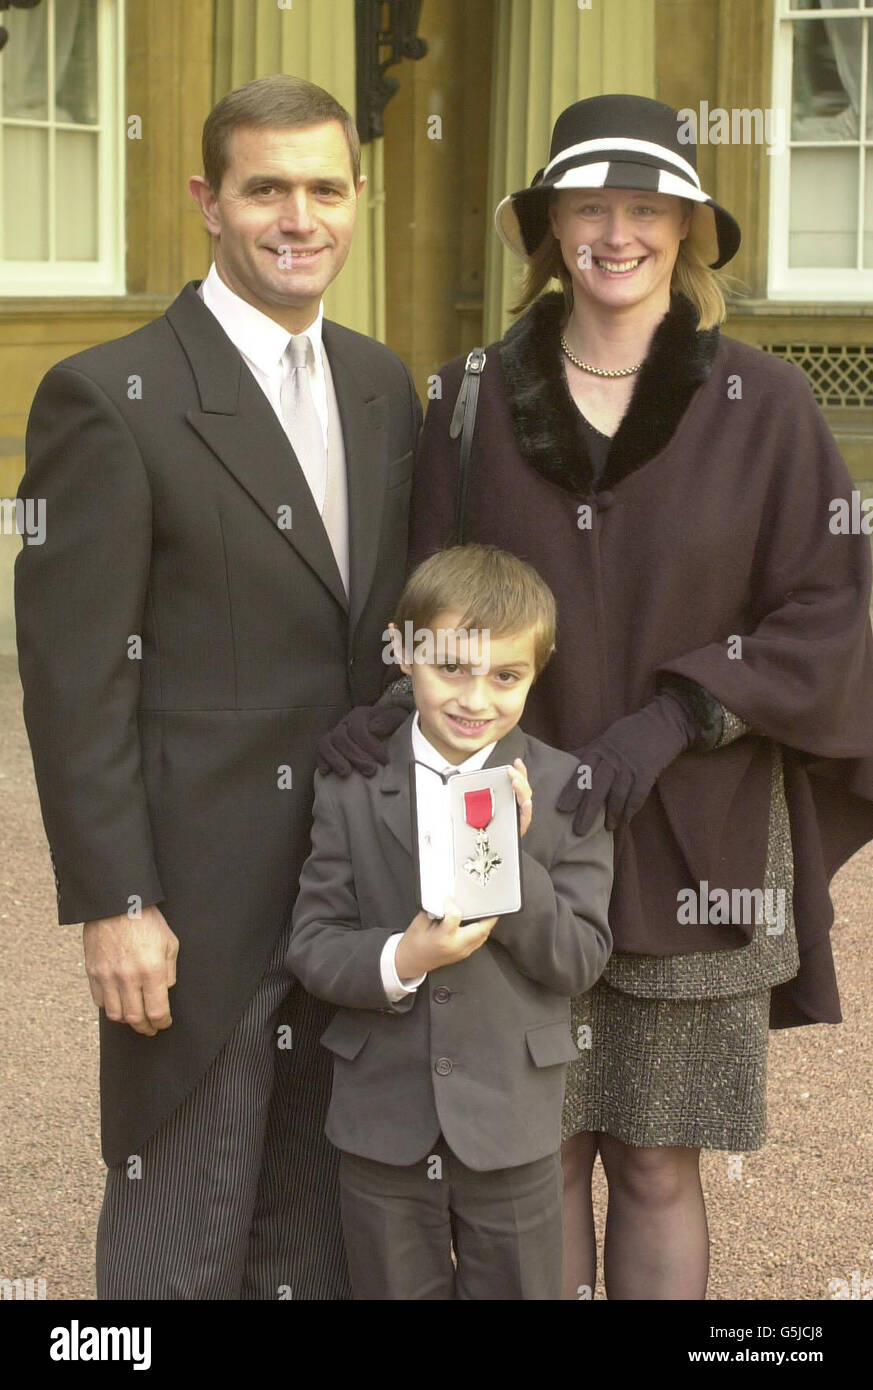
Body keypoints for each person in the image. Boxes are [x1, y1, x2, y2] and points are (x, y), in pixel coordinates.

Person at [318, 94, 873, 1300]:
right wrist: (389, 705)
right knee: (537, 1148)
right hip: (511, 827)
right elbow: (432, 594)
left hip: (703, 834)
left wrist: (679, 714)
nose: (615, 235)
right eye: (588, 209)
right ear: (550, 230)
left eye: (644, 210)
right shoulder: (466, 397)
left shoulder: (765, 404)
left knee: (659, 1156)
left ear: (688, 231)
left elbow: (832, 609)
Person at [14, 74, 421, 1299]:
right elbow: (72, 683)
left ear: (358, 199)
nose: (299, 218)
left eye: (325, 188)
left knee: (312, 1236)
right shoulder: (109, 398)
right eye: (266, 189)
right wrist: (116, 903)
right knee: (176, 1250)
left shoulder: (382, 386)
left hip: (350, 896)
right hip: (194, 909)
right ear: (207, 199)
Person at [290, 544, 613, 1299]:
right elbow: (313, 940)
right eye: (451, 670)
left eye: (505, 676)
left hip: (510, 1118)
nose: (475, 699)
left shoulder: (567, 789)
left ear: (539, 667)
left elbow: (578, 959)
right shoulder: (351, 781)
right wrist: (402, 957)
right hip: (381, 1120)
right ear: (405, 656)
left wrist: (510, 857)